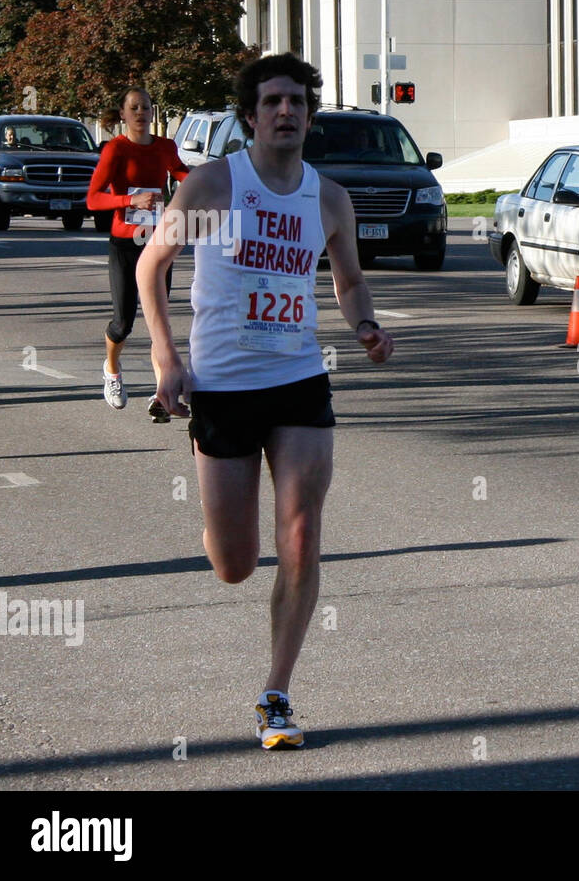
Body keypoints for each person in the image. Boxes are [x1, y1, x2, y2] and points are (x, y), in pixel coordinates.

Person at [137, 53, 394, 750]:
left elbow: (347, 283)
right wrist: (166, 356)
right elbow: (151, 265)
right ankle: (221, 537)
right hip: (221, 384)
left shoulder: (328, 198)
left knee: (303, 535)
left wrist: (365, 325)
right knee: (236, 564)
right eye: (272, 101)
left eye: (298, 102)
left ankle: (276, 694)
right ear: (249, 115)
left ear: (310, 116)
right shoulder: (217, 186)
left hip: (298, 379)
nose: (286, 111)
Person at [86, 87, 188, 410]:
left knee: (159, 320)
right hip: (124, 244)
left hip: (156, 244)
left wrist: (208, 183)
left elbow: (182, 173)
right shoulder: (116, 150)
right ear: (124, 114)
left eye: (146, 107)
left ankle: (162, 393)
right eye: (134, 107)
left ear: (152, 112)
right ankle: (112, 370)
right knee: (123, 322)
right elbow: (93, 198)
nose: (141, 112)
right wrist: (130, 200)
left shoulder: (165, 147)